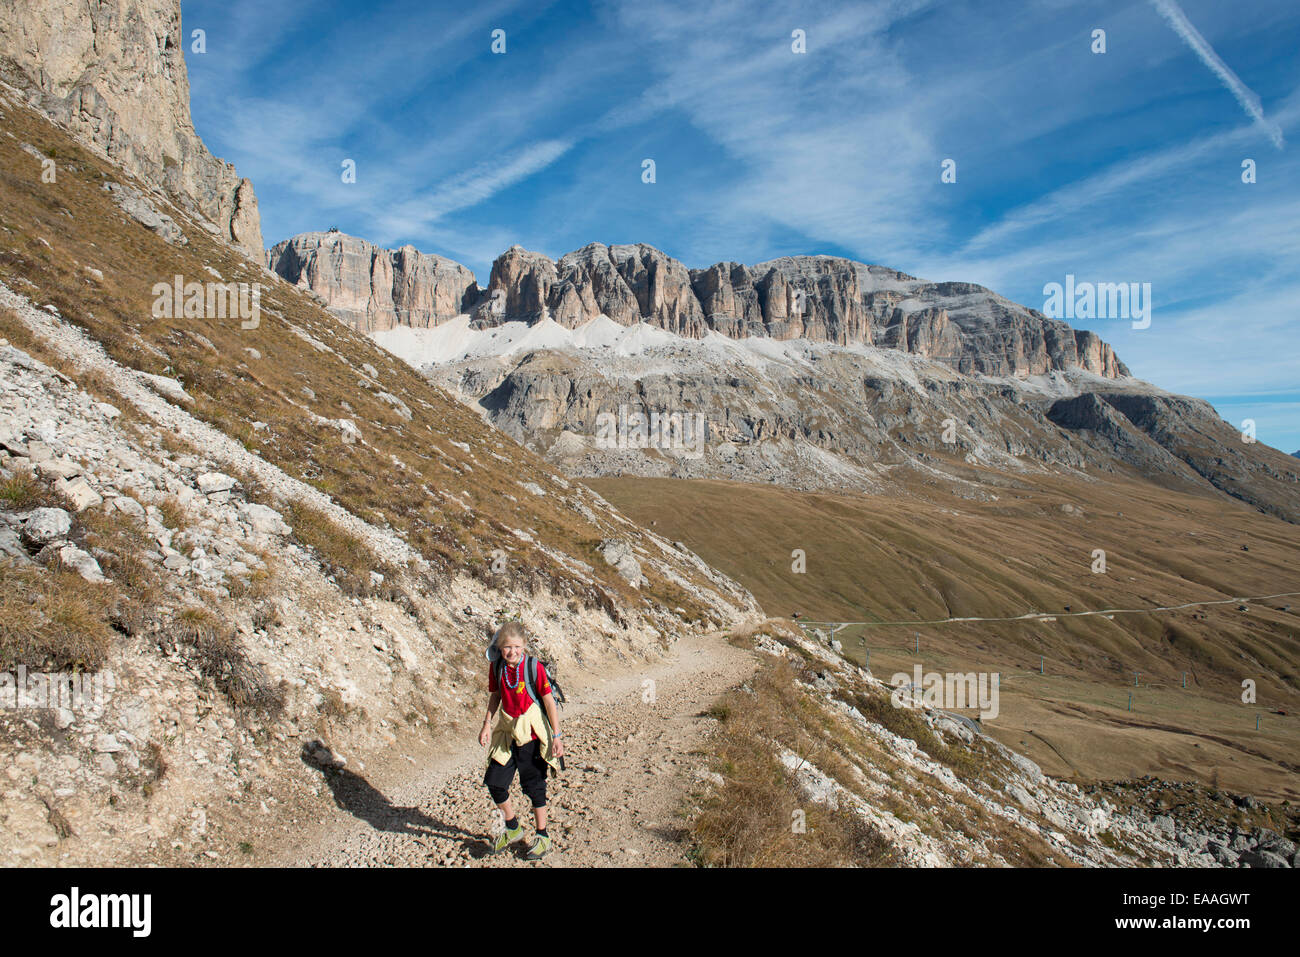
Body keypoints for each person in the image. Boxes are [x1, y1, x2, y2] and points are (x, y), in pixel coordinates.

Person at [479, 621, 564, 859]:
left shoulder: (533, 667)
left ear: (524, 646)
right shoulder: (497, 667)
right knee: (495, 781)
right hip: (507, 731)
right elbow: (495, 696)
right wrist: (487, 724)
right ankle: (513, 827)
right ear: (499, 647)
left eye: (516, 646)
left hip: (532, 733)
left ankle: (543, 836)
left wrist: (556, 736)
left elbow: (548, 701)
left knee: (534, 785)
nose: (512, 652)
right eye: (507, 647)